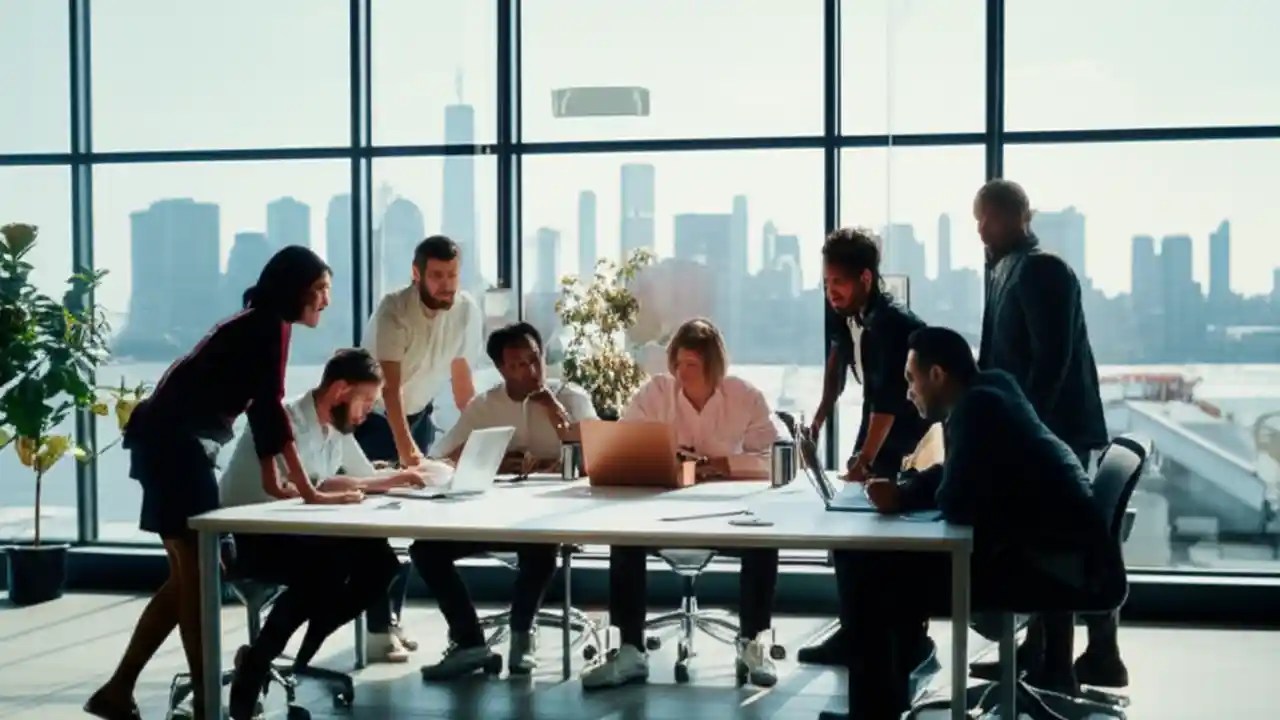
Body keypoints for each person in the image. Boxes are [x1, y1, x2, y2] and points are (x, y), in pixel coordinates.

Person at [86, 246, 341, 720]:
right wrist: (306, 489)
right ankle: (206, 706)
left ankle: (119, 691)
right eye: (322, 289)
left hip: (169, 444)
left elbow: (260, 409)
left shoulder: (257, 322)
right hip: (176, 448)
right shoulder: (269, 326)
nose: (327, 300)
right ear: (298, 291)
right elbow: (269, 407)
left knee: (188, 581)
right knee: (201, 579)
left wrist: (273, 478)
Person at [829, 327, 1120, 718]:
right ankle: (885, 700)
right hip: (1058, 554)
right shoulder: (995, 388)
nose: (908, 392)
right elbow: (958, 474)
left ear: (937, 375)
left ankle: (875, 712)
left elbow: (957, 501)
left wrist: (903, 496)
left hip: (1044, 565)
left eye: (911, 379)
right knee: (875, 564)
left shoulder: (976, 409)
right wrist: (908, 488)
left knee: (872, 573)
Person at [221, 349, 442, 716]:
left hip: (299, 531)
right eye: (366, 400)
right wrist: (380, 482)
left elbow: (357, 476)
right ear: (341, 390)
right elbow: (309, 484)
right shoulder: (287, 420)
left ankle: (301, 648)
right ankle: (260, 661)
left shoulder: (335, 426)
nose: (368, 411)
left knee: (382, 562)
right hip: (250, 537)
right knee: (326, 571)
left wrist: (407, 477)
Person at [972, 179, 1121, 691]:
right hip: (1035, 428)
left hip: (1055, 430)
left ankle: (1059, 660)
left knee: (1053, 539)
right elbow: (997, 355)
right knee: (1044, 534)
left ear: (1018, 217)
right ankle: (1039, 651)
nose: (980, 229)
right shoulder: (1003, 269)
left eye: (987, 219)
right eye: (978, 219)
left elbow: (1052, 361)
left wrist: (1026, 430)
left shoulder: (1043, 269)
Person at [581, 318, 783, 690]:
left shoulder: (745, 396)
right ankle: (630, 650)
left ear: (713, 366)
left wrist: (721, 466)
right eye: (677, 362)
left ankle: (755, 643)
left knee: (762, 542)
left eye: (691, 364)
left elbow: (776, 458)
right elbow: (622, 447)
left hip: (724, 515)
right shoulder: (656, 393)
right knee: (624, 540)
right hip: (663, 510)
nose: (680, 371)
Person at [412, 322, 597, 679]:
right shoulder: (487, 405)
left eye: (534, 360)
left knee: (539, 547)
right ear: (500, 369)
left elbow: (601, 457)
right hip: (493, 515)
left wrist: (556, 412)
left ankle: (521, 637)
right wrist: (494, 458)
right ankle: (470, 642)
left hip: (550, 519)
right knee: (425, 550)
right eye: (516, 365)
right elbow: (439, 458)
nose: (529, 371)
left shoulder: (572, 397)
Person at [798, 227, 932, 666]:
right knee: (852, 529)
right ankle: (858, 629)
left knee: (889, 532)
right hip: (879, 414)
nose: (830, 292)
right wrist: (819, 417)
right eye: (825, 283)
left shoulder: (890, 323)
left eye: (838, 282)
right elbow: (837, 365)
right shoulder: (843, 310)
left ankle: (909, 638)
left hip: (914, 427)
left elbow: (891, 399)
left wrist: (867, 459)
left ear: (866, 279)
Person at [356, 234, 483, 662]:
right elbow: (389, 390)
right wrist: (406, 450)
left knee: (417, 522)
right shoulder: (393, 310)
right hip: (374, 423)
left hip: (420, 418)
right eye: (436, 276)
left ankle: (392, 617)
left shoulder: (464, 308)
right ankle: (376, 629)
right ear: (417, 274)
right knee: (374, 528)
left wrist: (478, 431)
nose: (446, 284)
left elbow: (462, 378)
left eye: (452, 275)